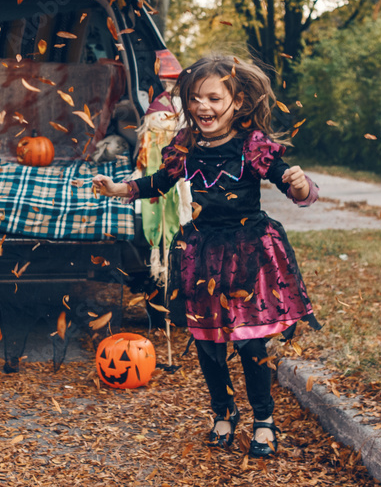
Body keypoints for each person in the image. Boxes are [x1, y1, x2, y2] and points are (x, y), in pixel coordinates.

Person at [92, 54, 320, 458]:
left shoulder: (253, 146)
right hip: (201, 255)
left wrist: (299, 184)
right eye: (196, 98)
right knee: (208, 343)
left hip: (248, 254)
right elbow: (158, 183)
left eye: (214, 98)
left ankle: (263, 420)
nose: (203, 107)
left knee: (250, 346)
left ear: (238, 103)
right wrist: (118, 189)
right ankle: (222, 412)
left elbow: (295, 190)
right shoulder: (184, 147)